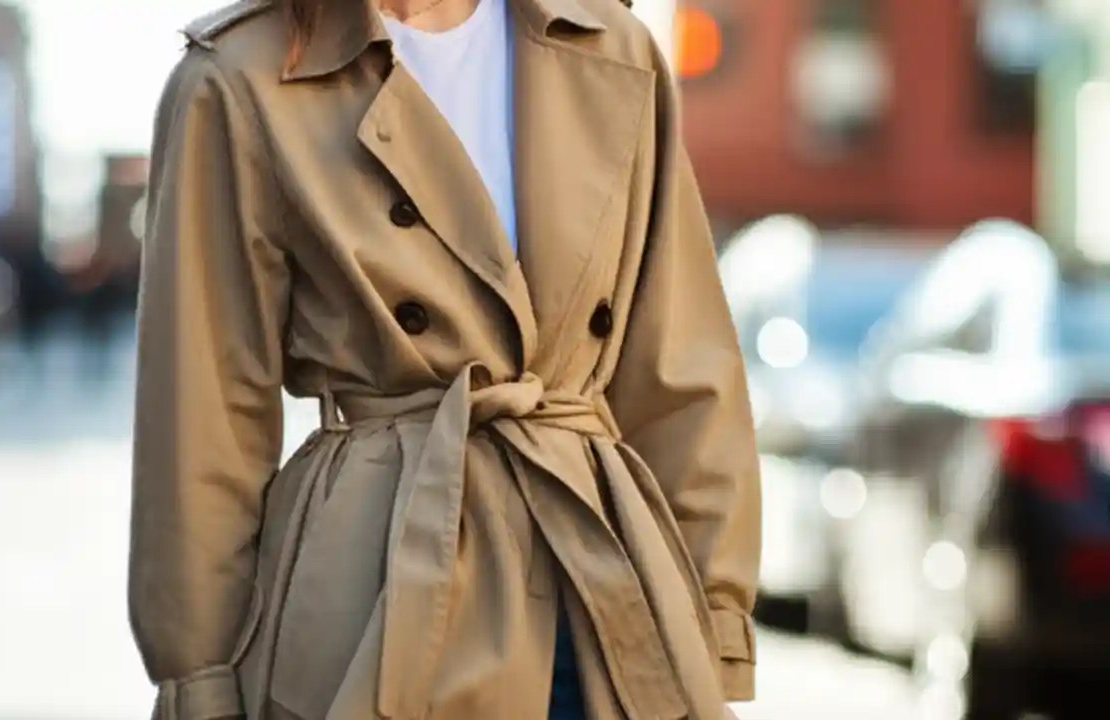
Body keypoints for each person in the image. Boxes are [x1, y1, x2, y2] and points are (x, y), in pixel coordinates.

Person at [127, 0, 762, 717]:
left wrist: (709, 622)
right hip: (376, 599)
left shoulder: (612, 46)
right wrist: (201, 678)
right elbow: (203, 417)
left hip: (601, 595)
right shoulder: (239, 76)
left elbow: (677, 365)